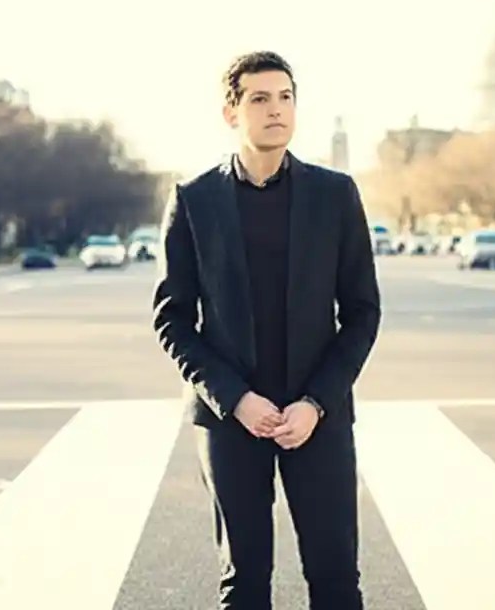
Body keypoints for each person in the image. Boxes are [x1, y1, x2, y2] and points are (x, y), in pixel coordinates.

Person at [151, 50, 382, 609]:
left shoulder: (335, 195)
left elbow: (362, 312)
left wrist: (316, 403)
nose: (276, 110)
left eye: (285, 97)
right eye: (260, 98)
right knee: (244, 585)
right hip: (231, 420)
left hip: (318, 417)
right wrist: (236, 400)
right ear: (232, 112)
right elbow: (173, 320)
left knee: (335, 582)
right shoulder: (193, 201)